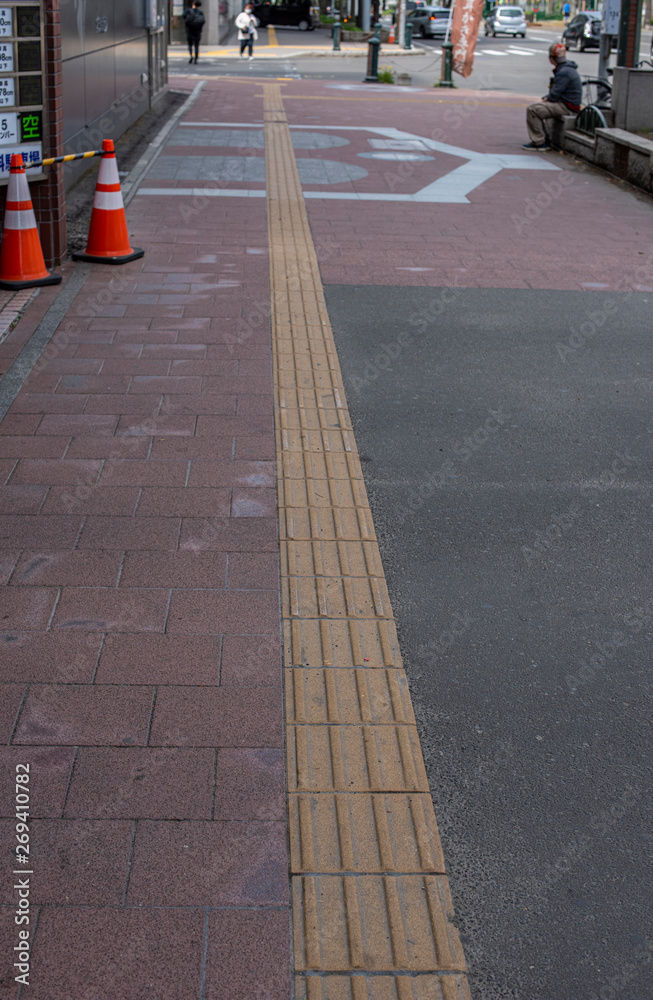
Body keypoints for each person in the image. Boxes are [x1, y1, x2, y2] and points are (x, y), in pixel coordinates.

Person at [522, 42, 582, 150]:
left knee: (533, 110)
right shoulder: (568, 68)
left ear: (551, 58)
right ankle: (543, 138)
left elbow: (555, 95)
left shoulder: (563, 72)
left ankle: (540, 141)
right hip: (568, 104)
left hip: (567, 107)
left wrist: (547, 99)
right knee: (540, 108)